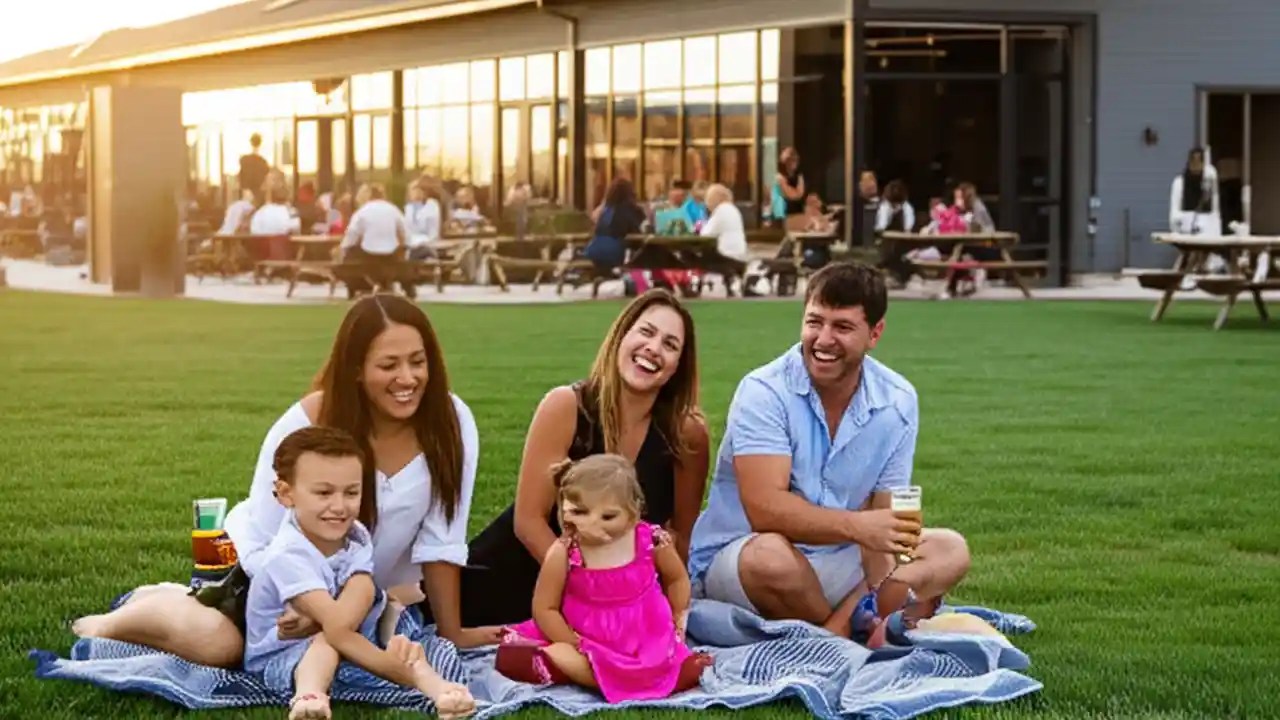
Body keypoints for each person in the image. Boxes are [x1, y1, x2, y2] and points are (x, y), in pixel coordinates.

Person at [71, 294, 501, 667]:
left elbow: (442, 540)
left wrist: (452, 632)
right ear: (354, 368)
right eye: (388, 365)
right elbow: (270, 540)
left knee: (349, 652)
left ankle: (176, 600)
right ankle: (117, 619)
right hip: (272, 580)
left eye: (417, 362)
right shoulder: (307, 424)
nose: (407, 379)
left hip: (364, 599)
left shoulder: (452, 422)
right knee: (220, 648)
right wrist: (310, 604)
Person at [686, 262, 971, 645]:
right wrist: (860, 528)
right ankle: (850, 635)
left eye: (842, 326)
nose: (822, 339)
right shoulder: (764, 392)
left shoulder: (898, 401)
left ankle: (846, 626)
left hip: (840, 561)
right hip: (744, 557)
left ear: (875, 333)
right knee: (770, 559)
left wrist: (883, 570)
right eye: (814, 322)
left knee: (949, 549)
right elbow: (764, 509)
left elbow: (887, 523)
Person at [435, 289, 709, 628]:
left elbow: (679, 534)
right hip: (515, 579)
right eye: (646, 332)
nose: (653, 348)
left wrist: (653, 605)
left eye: (670, 345)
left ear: (678, 367)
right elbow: (529, 522)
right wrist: (587, 591)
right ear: (621, 336)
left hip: (618, 605)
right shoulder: (566, 406)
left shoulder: (688, 436)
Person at [244, 425, 474, 720]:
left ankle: (439, 689)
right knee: (327, 643)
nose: (339, 506)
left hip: (351, 631)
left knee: (404, 631)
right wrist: (394, 669)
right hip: (285, 656)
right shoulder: (287, 555)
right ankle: (310, 696)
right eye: (324, 492)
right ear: (286, 494)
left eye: (351, 492)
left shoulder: (355, 534)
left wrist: (362, 594)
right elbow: (338, 629)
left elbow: (360, 592)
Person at [493, 454, 712, 701]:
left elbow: (677, 579)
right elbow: (545, 607)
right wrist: (572, 642)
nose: (591, 523)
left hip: (644, 637)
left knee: (659, 657)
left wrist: (678, 616)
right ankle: (620, 676)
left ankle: (627, 676)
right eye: (580, 512)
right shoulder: (565, 552)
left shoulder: (651, 540)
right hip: (587, 638)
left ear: (634, 512)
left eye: (608, 517)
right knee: (526, 654)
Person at [340, 182, 414, 298]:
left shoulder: (362, 211)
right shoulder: (393, 209)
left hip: (368, 254)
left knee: (349, 258)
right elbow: (405, 232)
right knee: (400, 262)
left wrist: (343, 249)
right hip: (391, 254)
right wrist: (405, 248)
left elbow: (351, 235)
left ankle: (354, 287)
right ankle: (407, 288)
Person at [697, 183, 749, 296]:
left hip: (726, 256)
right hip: (741, 255)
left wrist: (702, 224)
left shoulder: (721, 211)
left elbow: (705, 234)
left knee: (693, 256)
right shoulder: (733, 210)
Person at [585, 178, 647, 272]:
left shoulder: (605, 211)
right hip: (615, 252)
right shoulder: (630, 210)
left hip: (594, 251)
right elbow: (637, 234)